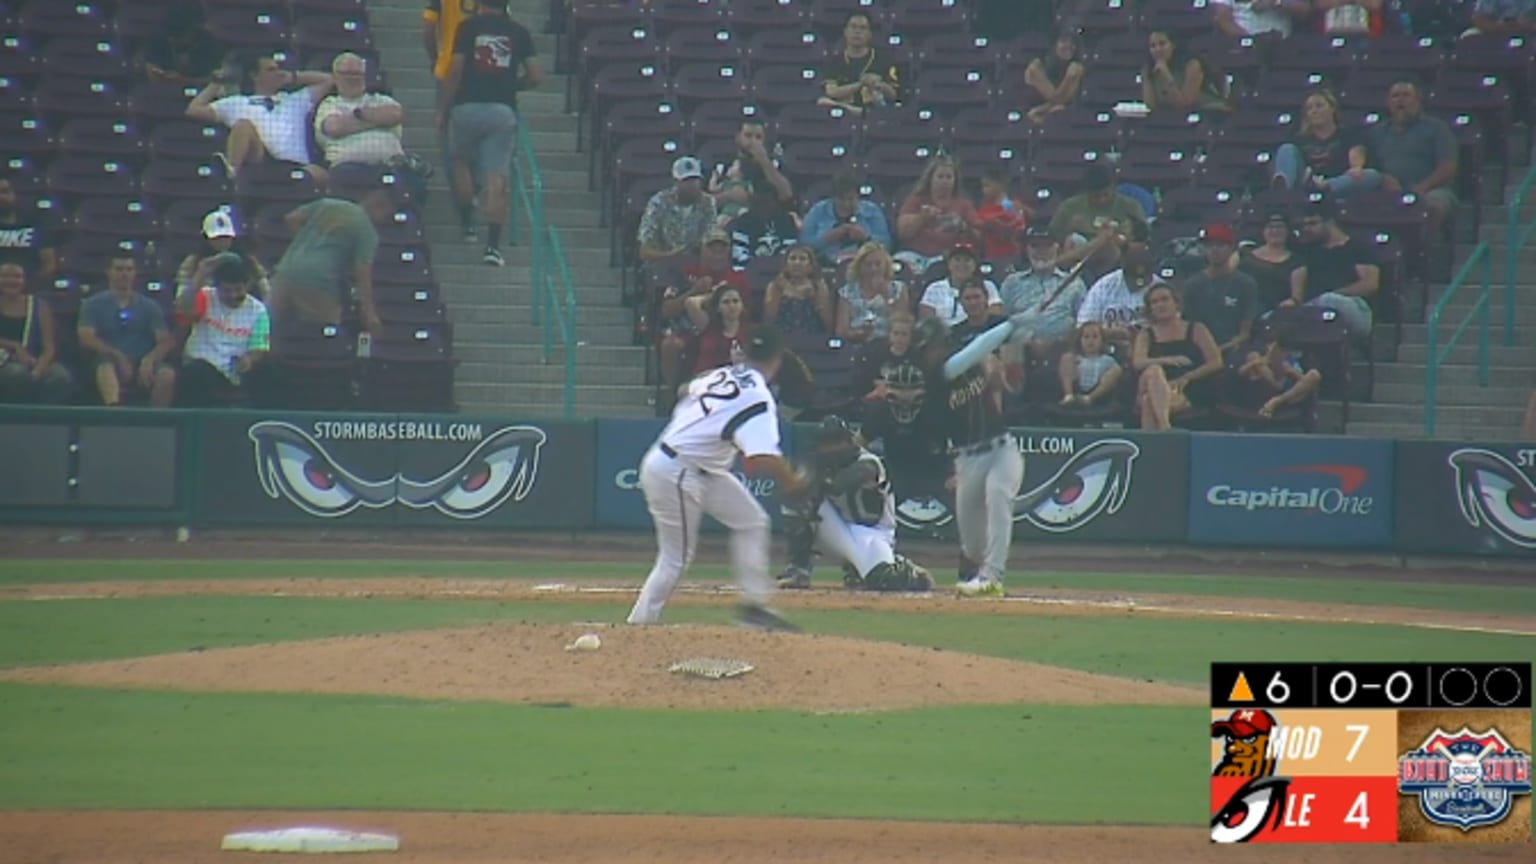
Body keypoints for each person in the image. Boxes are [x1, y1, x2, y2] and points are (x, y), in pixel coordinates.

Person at [627, 324, 809, 630]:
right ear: (777, 359)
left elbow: (685, 389)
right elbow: (762, 455)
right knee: (675, 558)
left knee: (752, 521)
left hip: (700, 467)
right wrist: (791, 480)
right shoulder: (759, 399)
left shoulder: (724, 373)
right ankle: (637, 626)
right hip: (677, 471)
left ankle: (754, 606)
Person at [910, 314, 1027, 597]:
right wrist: (1012, 324)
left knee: (999, 494)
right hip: (968, 459)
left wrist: (1017, 336)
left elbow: (991, 357)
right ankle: (979, 569)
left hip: (1002, 448)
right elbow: (977, 349)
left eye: (933, 346)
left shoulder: (964, 357)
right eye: (926, 350)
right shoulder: (938, 375)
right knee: (973, 547)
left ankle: (993, 576)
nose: (930, 354)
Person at [437, 0, 542, 266]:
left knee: (460, 162)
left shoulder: (467, 27)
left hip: (466, 105)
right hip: (502, 110)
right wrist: (514, 86)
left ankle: (467, 223)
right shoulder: (519, 31)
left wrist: (443, 110)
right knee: (497, 178)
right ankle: (493, 247)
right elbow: (536, 76)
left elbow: (456, 70)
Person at [776, 415, 934, 592]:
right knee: (798, 498)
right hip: (836, 530)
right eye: (827, 443)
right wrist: (800, 481)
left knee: (883, 580)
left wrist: (813, 476)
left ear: (849, 441)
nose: (831, 448)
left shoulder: (869, 462)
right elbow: (793, 492)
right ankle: (799, 569)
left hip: (874, 534)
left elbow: (840, 484)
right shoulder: (819, 463)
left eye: (837, 442)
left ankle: (900, 567)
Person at [185, 52, 335, 183]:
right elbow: (194, 110)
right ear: (254, 75)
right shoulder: (237, 102)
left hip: (297, 165)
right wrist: (216, 83)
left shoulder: (295, 100)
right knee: (243, 125)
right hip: (262, 161)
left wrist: (292, 77)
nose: (278, 73)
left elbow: (329, 80)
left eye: (278, 69)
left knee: (324, 177)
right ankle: (232, 173)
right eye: (271, 70)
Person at [267, 192, 391, 338]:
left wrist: (309, 241)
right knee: (325, 337)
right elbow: (362, 273)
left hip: (285, 272)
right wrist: (370, 314)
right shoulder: (367, 231)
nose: (385, 221)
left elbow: (291, 218)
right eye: (387, 215)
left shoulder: (327, 203)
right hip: (320, 282)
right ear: (380, 207)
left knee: (268, 330)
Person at [78, 254, 177, 407]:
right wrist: (118, 356)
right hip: (108, 360)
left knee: (167, 374)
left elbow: (165, 341)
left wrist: (150, 359)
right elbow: (86, 338)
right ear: (108, 272)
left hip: (141, 361)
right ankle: (115, 411)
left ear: (135, 273)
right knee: (105, 367)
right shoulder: (92, 304)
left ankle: (155, 418)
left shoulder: (150, 306)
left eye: (129, 269)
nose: (124, 274)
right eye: (119, 269)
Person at [174, 253, 270, 407]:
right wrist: (200, 275)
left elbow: (258, 348)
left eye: (238, 289)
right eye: (227, 290)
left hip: (232, 372)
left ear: (247, 286)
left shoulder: (258, 310)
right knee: (197, 374)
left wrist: (249, 359)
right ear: (217, 287)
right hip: (199, 365)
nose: (233, 295)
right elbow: (183, 310)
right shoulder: (205, 296)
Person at [1370, 79, 1459, 244]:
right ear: (1388, 102)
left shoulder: (1437, 128)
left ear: (1418, 101)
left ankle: (1420, 250)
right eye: (1395, 96)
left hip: (1431, 190)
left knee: (1433, 207)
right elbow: (1369, 165)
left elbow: (1447, 167)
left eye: (1406, 95)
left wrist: (1421, 188)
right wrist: (1383, 179)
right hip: (1387, 190)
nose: (1400, 100)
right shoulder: (1377, 132)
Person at [1132, 283, 1223, 430]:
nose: (1160, 305)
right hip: (1151, 382)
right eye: (1154, 302)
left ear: (1176, 303)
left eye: (1164, 299)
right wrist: (1168, 360)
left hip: (1185, 387)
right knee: (1154, 370)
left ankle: (1156, 440)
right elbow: (1138, 362)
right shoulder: (1146, 333)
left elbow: (1216, 362)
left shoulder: (1196, 329)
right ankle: (1165, 427)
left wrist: (1187, 377)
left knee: (1148, 401)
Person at [1287, 196, 1378, 336]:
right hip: (1314, 309)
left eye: (1313, 223)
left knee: (1329, 300)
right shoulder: (1307, 250)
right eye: (1304, 225)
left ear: (1330, 222)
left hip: (1354, 308)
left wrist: (1334, 294)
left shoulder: (1357, 247)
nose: (1306, 229)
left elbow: (1370, 284)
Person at [313, 53, 407, 185]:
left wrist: (356, 117)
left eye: (356, 74)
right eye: (345, 74)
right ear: (335, 77)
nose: (352, 79)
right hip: (348, 169)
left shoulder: (381, 99)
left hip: (390, 166)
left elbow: (396, 115)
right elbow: (335, 127)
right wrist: (377, 119)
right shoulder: (330, 103)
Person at [1273, 88, 1382, 197]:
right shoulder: (1299, 139)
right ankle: (1283, 190)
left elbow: (1356, 152)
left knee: (1372, 176)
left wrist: (1356, 168)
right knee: (1286, 148)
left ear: (1332, 108)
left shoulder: (1347, 134)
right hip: (1305, 183)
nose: (1314, 111)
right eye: (1309, 108)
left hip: (1336, 184)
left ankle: (1323, 185)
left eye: (1319, 106)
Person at [1181, 223, 1259, 360]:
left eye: (1220, 245)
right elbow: (1188, 327)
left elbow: (1244, 333)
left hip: (1234, 350)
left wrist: (1220, 350)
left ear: (1232, 248)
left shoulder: (1246, 284)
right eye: (1210, 245)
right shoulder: (1192, 285)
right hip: (1199, 351)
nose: (1214, 250)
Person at [0, 261, 72, 404]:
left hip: (32, 359)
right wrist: (15, 346)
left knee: (60, 376)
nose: (11, 281)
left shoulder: (39, 306)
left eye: (17, 277)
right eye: (5, 276)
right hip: (4, 360)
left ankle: (43, 414)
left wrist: (38, 369)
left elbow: (49, 347)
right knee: (16, 374)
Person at [895, 155, 979, 273]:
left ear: (955, 181)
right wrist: (922, 218)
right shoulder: (915, 201)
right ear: (930, 179)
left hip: (947, 258)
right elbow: (903, 233)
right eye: (940, 177)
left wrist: (962, 226)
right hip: (914, 255)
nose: (944, 181)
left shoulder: (964, 205)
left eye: (949, 177)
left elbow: (979, 236)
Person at [176, 208, 271, 302]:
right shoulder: (192, 262)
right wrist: (200, 275)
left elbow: (266, 291)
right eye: (216, 238)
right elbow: (181, 299)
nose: (222, 242)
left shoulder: (249, 260)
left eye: (226, 237)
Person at [818, 11, 903, 115]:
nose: (857, 32)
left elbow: (894, 95)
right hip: (844, 114)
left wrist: (878, 84)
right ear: (845, 31)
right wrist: (861, 84)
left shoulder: (884, 60)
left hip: (876, 114)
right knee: (823, 102)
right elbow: (832, 92)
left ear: (870, 34)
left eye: (863, 28)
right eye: (853, 27)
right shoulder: (835, 61)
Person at [708, 120, 794, 222]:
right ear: (738, 137)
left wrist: (764, 161)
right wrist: (729, 196)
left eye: (758, 137)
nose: (753, 142)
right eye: (748, 136)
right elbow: (702, 202)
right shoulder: (722, 166)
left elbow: (787, 196)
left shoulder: (774, 166)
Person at [799, 172, 891, 265]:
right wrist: (827, 238)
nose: (846, 204)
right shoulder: (818, 210)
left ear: (858, 197)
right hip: (825, 263)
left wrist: (866, 238)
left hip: (863, 264)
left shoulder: (872, 211)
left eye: (851, 199)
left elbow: (886, 245)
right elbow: (804, 244)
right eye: (841, 199)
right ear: (833, 197)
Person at [638, 156, 718, 263]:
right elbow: (644, 252)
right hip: (664, 263)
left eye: (695, 179)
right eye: (686, 180)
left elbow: (711, 241)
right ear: (675, 182)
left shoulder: (707, 202)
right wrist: (671, 257)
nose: (692, 185)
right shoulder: (659, 202)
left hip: (697, 263)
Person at [1236, 324, 1323, 419]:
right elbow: (1241, 373)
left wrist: (1289, 371)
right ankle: (1270, 405)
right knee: (1256, 360)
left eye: (1280, 349)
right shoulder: (1257, 358)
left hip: (1287, 396)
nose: (1274, 349)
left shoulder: (1290, 361)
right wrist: (1260, 362)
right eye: (1272, 345)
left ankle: (1275, 402)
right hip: (1264, 392)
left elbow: (1305, 382)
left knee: (1314, 374)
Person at [1141, 30, 1232, 114]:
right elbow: (1151, 105)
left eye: (1162, 44)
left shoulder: (1192, 65)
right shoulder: (1148, 69)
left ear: (1173, 45)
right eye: (1153, 46)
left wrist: (1167, 76)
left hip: (1209, 111)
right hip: (1175, 116)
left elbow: (1185, 104)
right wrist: (1148, 78)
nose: (1157, 49)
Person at [836, 242, 909, 343]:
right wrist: (859, 334)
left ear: (886, 265)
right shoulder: (847, 292)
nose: (873, 269)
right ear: (860, 267)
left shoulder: (898, 288)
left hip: (889, 344)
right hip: (857, 344)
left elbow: (903, 323)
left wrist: (886, 295)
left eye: (878, 264)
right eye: (868, 265)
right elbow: (841, 331)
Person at [918, 243, 1003, 327]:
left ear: (975, 264)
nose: (962, 264)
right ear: (949, 264)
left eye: (967, 260)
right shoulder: (934, 288)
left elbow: (995, 313)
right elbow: (926, 319)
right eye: (957, 259)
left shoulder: (987, 286)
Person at [140, 5, 224, 86]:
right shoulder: (158, 39)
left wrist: (183, 80)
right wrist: (155, 73)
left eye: (181, 36)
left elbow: (216, 81)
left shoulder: (209, 43)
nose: (174, 40)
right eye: (172, 37)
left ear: (194, 29)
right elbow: (151, 70)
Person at [1239, 209, 1303, 315]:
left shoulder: (1296, 262)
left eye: (1280, 227)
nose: (1275, 231)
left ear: (1288, 231)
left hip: (1273, 312)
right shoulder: (1245, 254)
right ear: (1263, 231)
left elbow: (1296, 298)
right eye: (1270, 227)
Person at [684, 282, 754, 376]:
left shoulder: (751, 331)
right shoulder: (708, 326)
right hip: (706, 377)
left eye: (735, 301)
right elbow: (690, 302)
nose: (731, 306)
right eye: (726, 302)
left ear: (742, 305)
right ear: (718, 307)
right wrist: (714, 296)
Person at [0, 175, 57, 288]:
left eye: (5, 192)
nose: (1, 197)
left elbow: (49, 263)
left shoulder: (34, 222)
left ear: (14, 194)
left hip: (31, 287)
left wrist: (30, 285)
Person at [763, 245, 834, 335]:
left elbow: (829, 324)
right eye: (793, 258)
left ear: (810, 266)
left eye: (802, 259)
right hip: (783, 337)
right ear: (786, 265)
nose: (797, 263)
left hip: (812, 337)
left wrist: (815, 300)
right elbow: (769, 320)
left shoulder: (819, 286)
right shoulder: (775, 286)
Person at [1023, 29, 1085, 124]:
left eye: (1073, 43)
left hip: (1064, 118)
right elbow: (1055, 99)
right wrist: (1069, 78)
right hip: (1032, 117)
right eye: (1063, 41)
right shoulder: (1036, 67)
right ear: (1053, 45)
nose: (1069, 46)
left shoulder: (1076, 68)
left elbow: (1066, 102)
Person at [1058, 321, 1123, 408]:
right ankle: (1069, 396)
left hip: (1098, 390)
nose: (1090, 341)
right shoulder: (1076, 358)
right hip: (1077, 387)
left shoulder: (1107, 359)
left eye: (1095, 337)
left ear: (1102, 340)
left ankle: (1089, 398)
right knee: (1067, 358)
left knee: (1117, 369)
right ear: (1080, 340)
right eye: (1086, 337)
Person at [974, 167, 1029, 263]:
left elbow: (1020, 229)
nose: (983, 190)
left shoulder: (1012, 206)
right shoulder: (984, 209)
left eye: (987, 186)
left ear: (1000, 186)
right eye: (983, 186)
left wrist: (1003, 226)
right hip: (990, 255)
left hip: (1010, 255)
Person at [1212, 0, 1313, 38]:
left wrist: (1276, 2)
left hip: (1281, 43)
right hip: (1240, 43)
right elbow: (1223, 19)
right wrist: (1251, 41)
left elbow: (1305, 9)